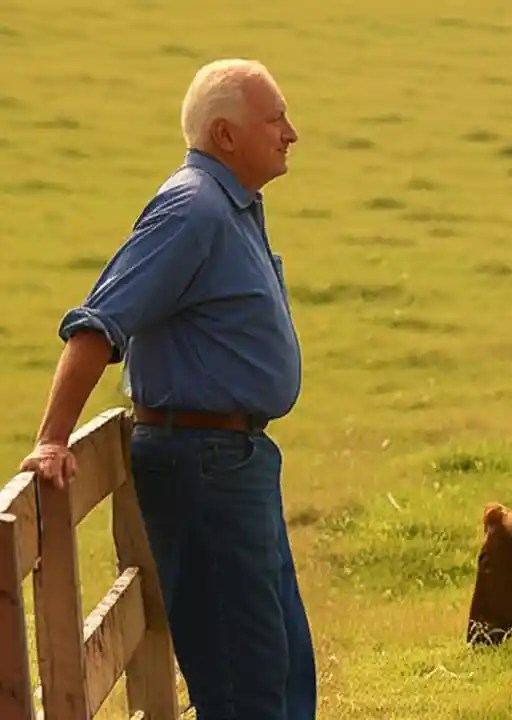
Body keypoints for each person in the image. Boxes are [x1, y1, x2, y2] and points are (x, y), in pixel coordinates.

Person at [19, 58, 316, 720]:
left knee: (283, 664)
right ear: (225, 134)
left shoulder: (234, 207)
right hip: (205, 464)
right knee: (246, 678)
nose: (291, 133)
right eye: (276, 120)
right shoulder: (193, 209)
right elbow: (98, 324)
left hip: (237, 458)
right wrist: (50, 439)